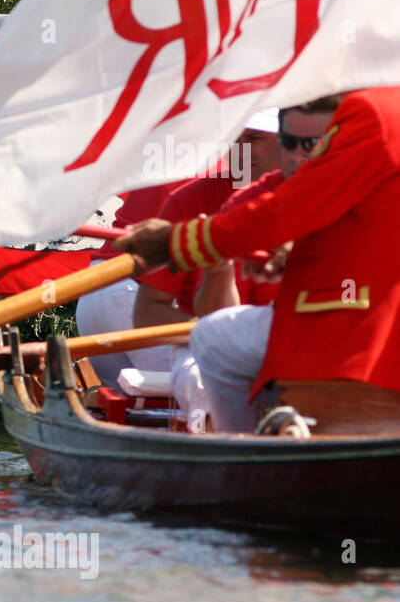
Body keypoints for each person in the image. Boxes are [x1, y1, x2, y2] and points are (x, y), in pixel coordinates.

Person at [113, 89, 400, 432]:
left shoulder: (355, 156)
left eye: (312, 145)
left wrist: (179, 243)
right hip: (291, 335)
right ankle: (245, 446)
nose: (298, 156)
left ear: (335, 144)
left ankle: (249, 444)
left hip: (351, 333)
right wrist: (216, 262)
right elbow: (161, 314)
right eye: (289, 142)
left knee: (214, 338)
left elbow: (292, 215)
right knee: (212, 337)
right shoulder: (240, 198)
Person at [76, 109, 279, 384]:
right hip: (132, 288)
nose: (241, 148)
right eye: (236, 137)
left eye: (253, 137)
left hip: (98, 288)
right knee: (186, 397)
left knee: (132, 404)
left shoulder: (185, 142)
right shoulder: (218, 183)